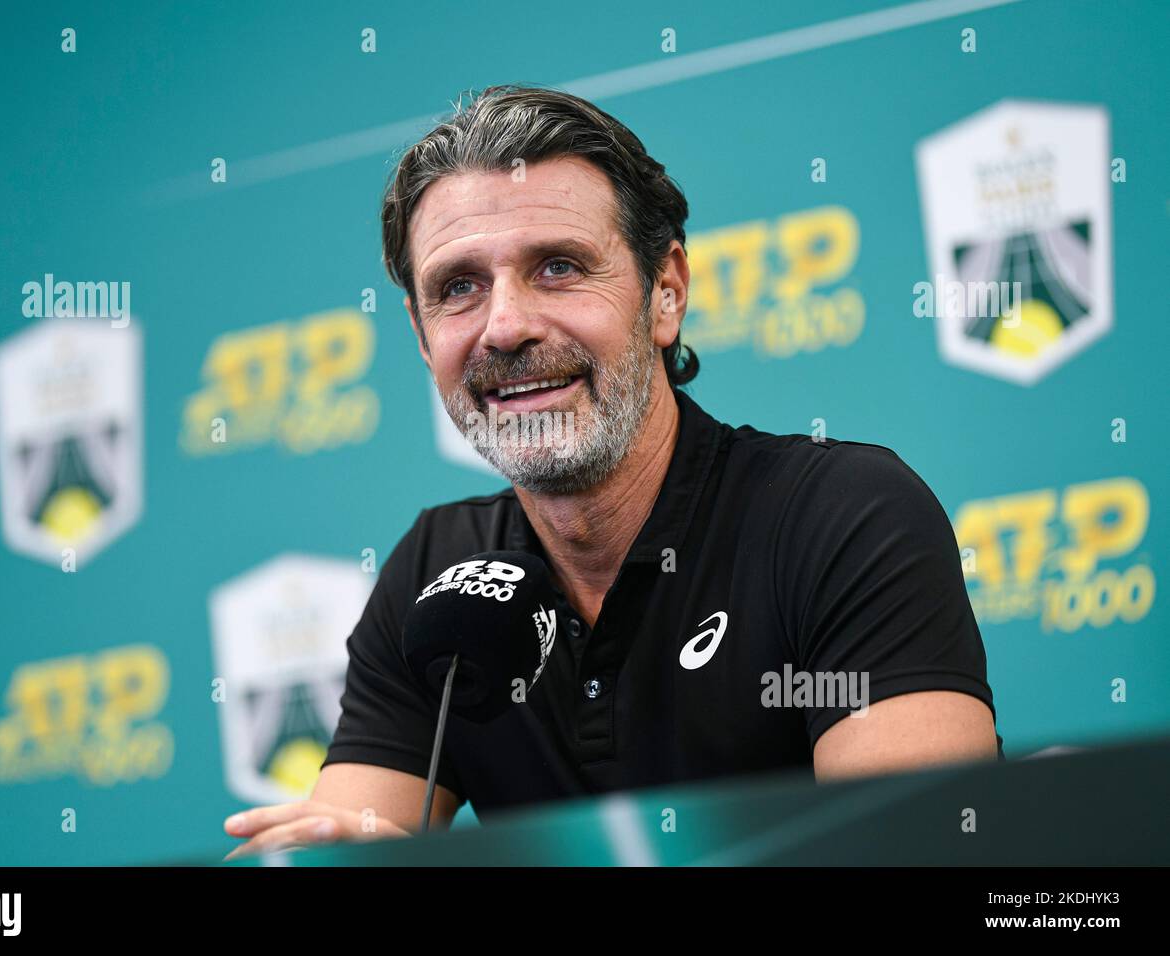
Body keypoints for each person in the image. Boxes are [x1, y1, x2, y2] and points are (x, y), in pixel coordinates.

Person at [224, 85, 1001, 860]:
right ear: (423, 339)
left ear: (666, 294)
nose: (505, 326)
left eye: (558, 267)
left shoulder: (843, 517)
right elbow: (349, 844)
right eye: (458, 287)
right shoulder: (436, 575)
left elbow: (918, 854)